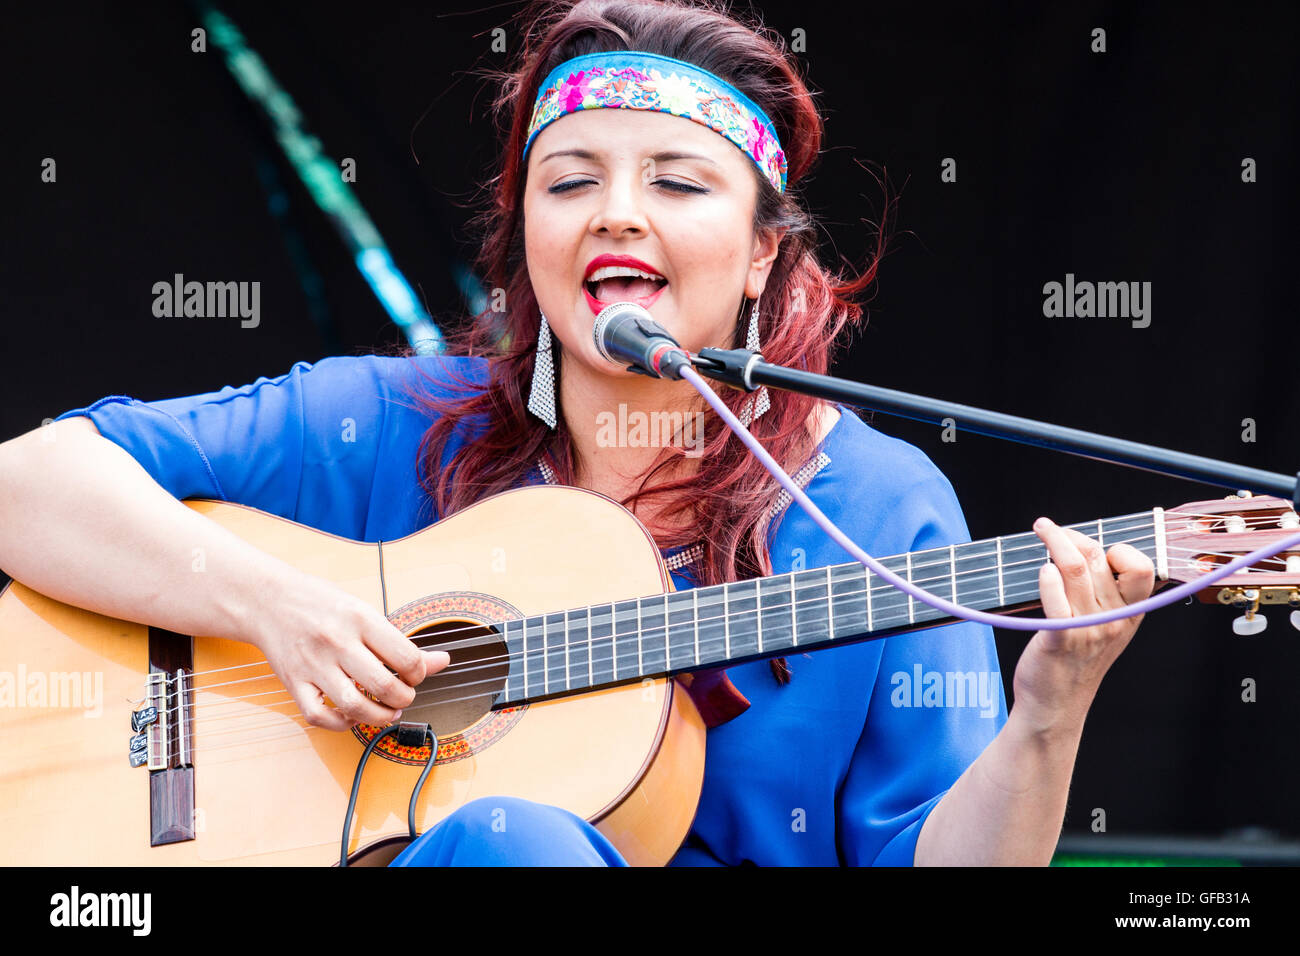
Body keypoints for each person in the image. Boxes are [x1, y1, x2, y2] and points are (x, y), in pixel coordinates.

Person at [0, 0, 1154, 866]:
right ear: (528, 236)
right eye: (571, 181)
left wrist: (1049, 712)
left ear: (762, 250)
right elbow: (30, 482)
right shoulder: (385, 423)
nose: (615, 211)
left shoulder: (873, 502)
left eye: (677, 182)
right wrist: (270, 607)